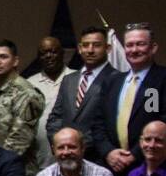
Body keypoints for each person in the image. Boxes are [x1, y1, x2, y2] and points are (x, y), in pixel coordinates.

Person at [90, 23, 166, 176]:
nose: (134, 50)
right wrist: (109, 152)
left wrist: (134, 155)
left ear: (153, 47)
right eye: (129, 45)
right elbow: (98, 123)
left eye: (140, 44)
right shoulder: (111, 81)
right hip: (114, 170)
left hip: (153, 170)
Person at [0, 40, 47, 176]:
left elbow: (19, 139)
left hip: (15, 172)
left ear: (15, 61)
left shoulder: (27, 93)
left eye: (3, 57)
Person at [45, 26, 116, 159]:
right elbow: (55, 117)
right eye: (85, 45)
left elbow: (111, 124)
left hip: (98, 158)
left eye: (96, 45)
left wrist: (78, 145)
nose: (90, 50)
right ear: (79, 48)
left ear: (108, 48)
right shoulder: (69, 79)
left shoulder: (117, 79)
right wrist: (61, 143)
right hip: (65, 157)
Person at [26, 36, 75, 170]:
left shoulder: (77, 78)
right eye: (44, 53)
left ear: (62, 53)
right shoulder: (30, 84)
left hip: (73, 154)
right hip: (41, 158)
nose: (49, 56)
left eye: (53, 52)